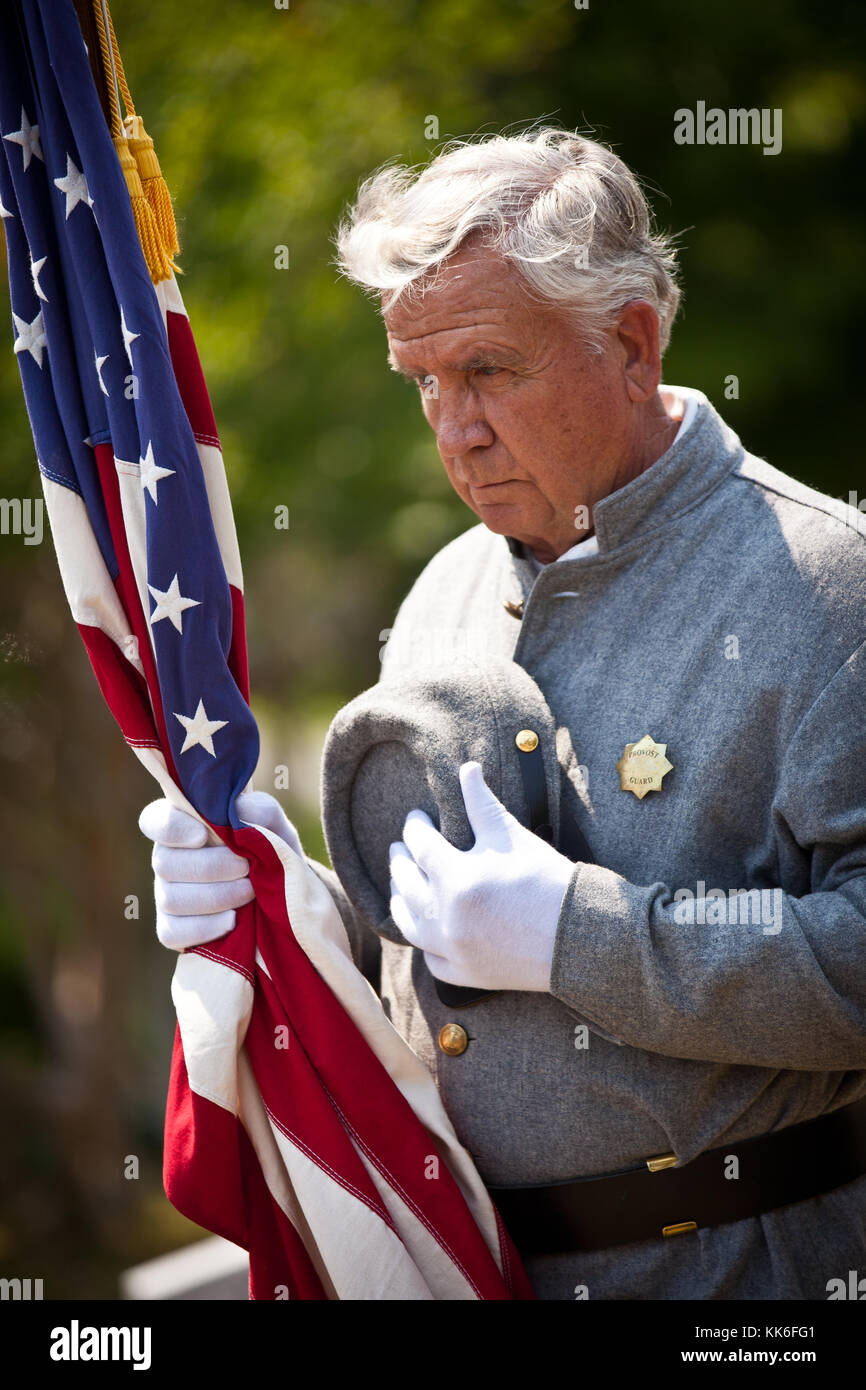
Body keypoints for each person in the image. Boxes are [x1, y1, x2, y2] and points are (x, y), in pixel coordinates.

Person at [140, 127, 866, 1299]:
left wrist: (577, 937)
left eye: (487, 369)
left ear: (631, 342)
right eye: (423, 381)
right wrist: (280, 900)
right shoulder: (445, 586)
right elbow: (428, 961)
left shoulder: (830, 585)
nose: (453, 429)